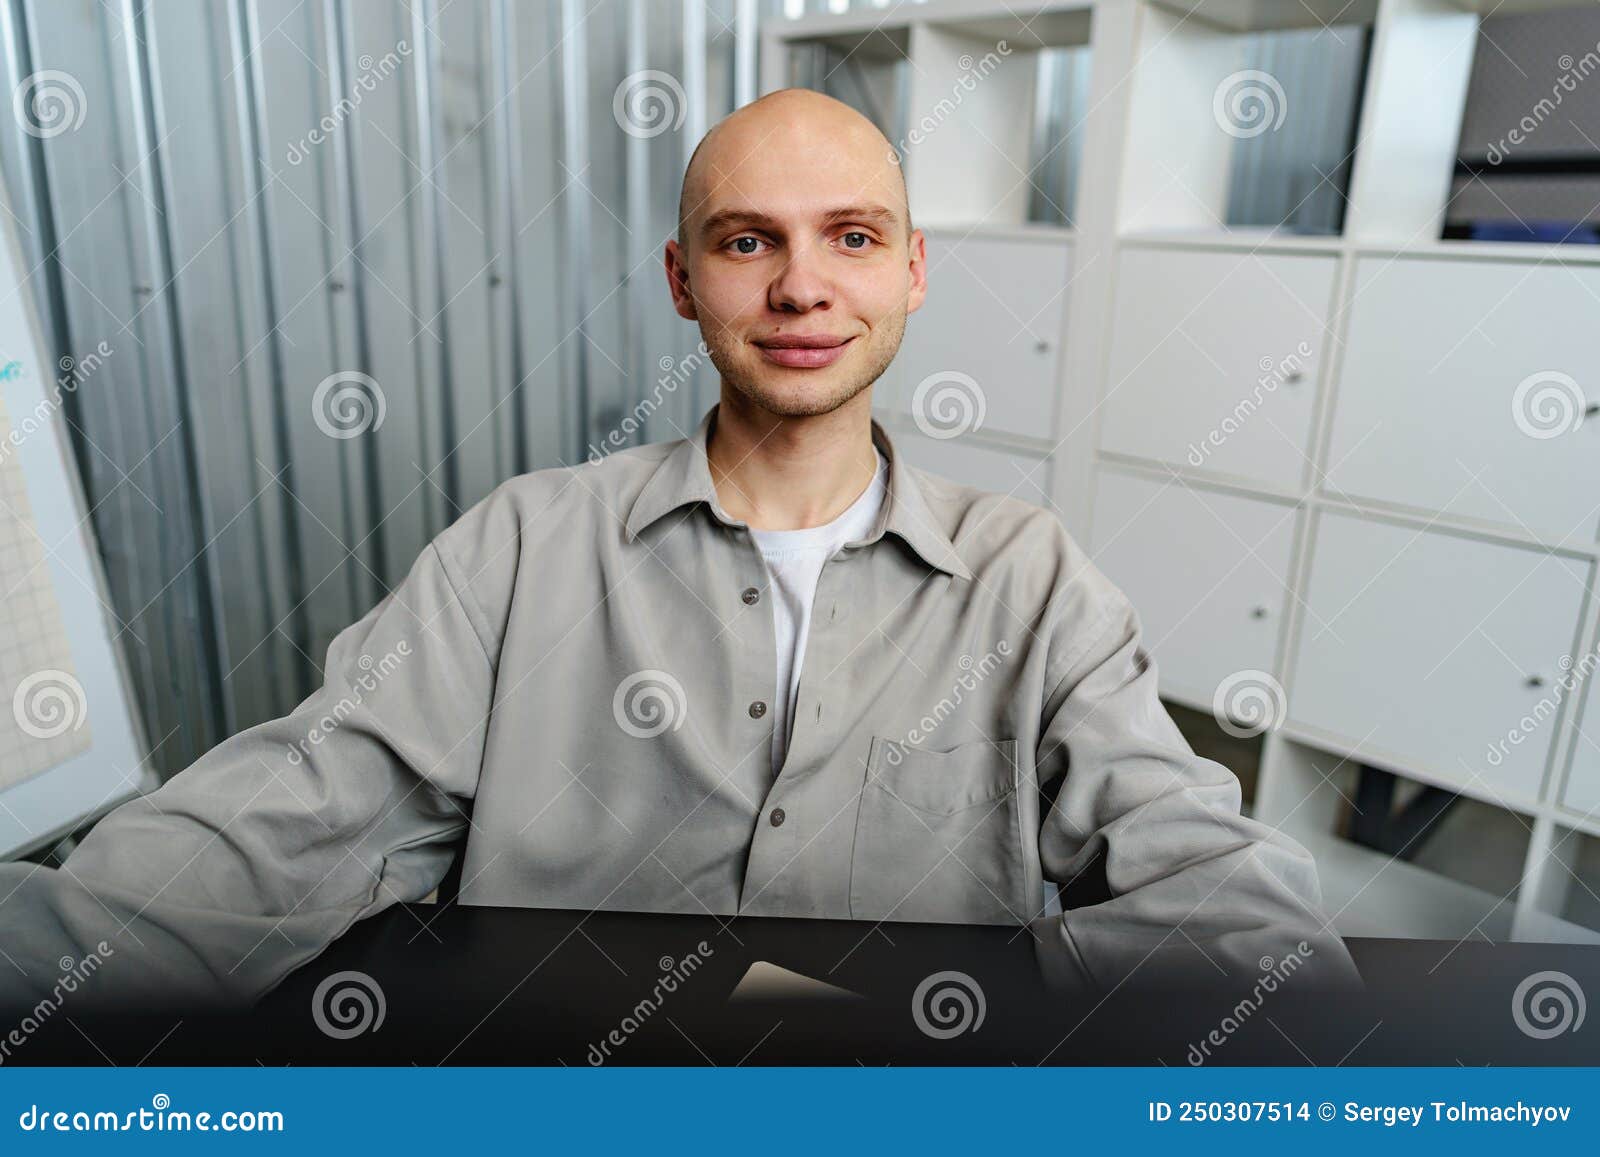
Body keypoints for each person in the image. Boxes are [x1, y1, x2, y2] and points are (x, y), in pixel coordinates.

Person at [0, 88, 1359, 1010]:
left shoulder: (1032, 581)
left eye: (852, 238)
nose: (802, 286)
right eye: (747, 240)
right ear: (681, 279)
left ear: (913, 271)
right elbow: (271, 831)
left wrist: (938, 1012)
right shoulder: (522, 550)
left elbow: (1228, 909)